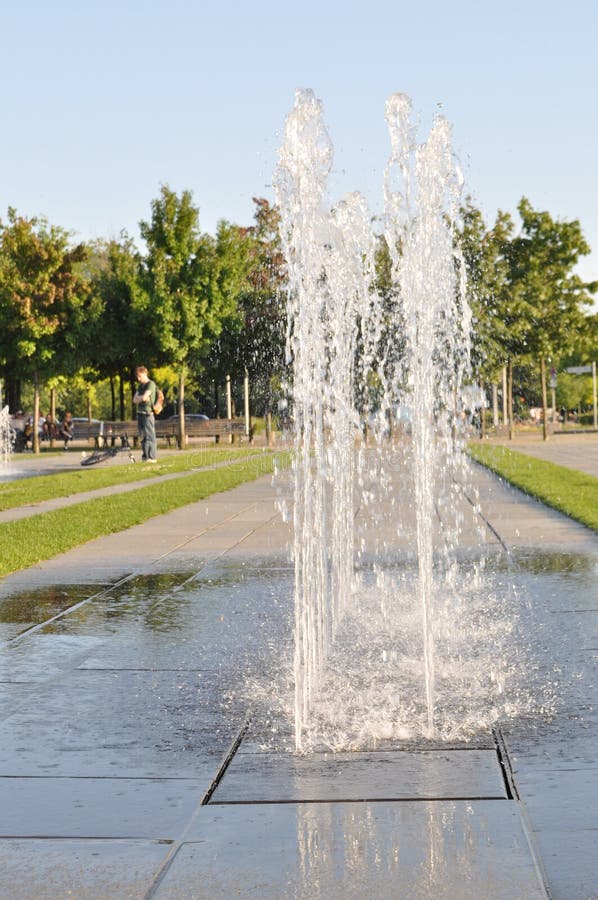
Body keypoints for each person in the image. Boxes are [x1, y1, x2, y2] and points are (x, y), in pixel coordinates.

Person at [132, 366, 157, 462]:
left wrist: (140, 398)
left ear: (144, 374)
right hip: (140, 414)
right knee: (142, 437)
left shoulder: (151, 384)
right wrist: (141, 398)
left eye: (140, 376)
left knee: (150, 436)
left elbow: (143, 398)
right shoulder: (140, 386)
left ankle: (152, 457)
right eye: (137, 377)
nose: (138, 379)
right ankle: (145, 457)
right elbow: (134, 400)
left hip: (147, 414)